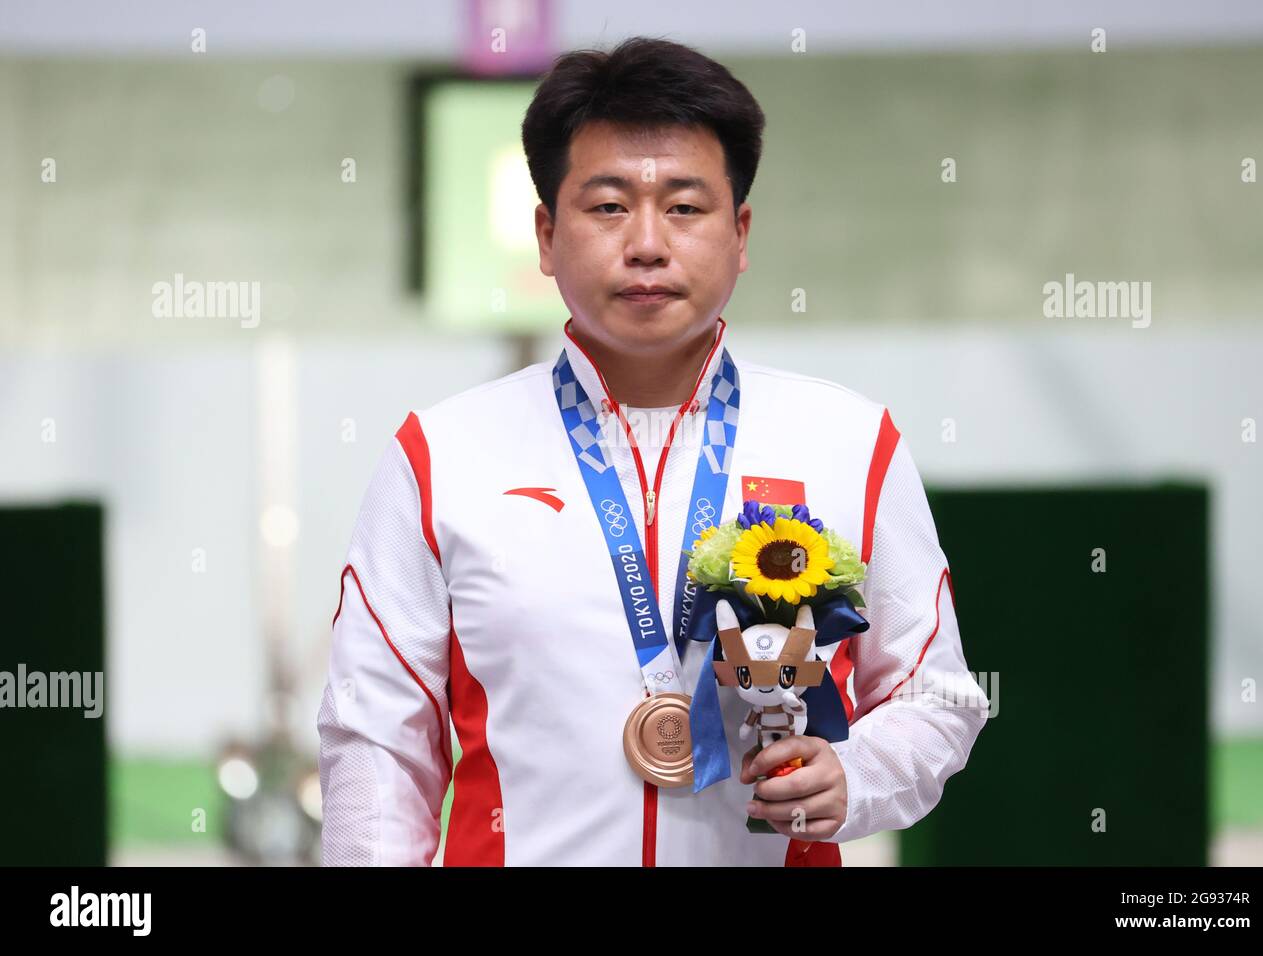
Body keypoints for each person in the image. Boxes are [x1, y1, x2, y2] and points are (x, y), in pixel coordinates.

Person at [317, 36, 988, 867]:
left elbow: (938, 693)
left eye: (683, 206)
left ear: (740, 233)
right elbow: (375, 736)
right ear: (546, 234)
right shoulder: (439, 458)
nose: (646, 244)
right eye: (607, 206)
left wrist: (859, 775)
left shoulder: (849, 443)